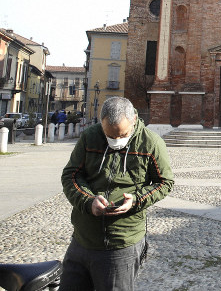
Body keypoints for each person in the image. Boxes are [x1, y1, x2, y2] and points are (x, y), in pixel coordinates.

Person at [61, 97, 174, 291]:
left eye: (122, 134)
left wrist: (136, 200)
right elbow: (71, 175)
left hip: (121, 243)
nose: (116, 140)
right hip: (82, 239)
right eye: (109, 135)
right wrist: (88, 201)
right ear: (101, 122)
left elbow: (164, 182)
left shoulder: (151, 143)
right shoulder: (90, 137)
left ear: (134, 120)